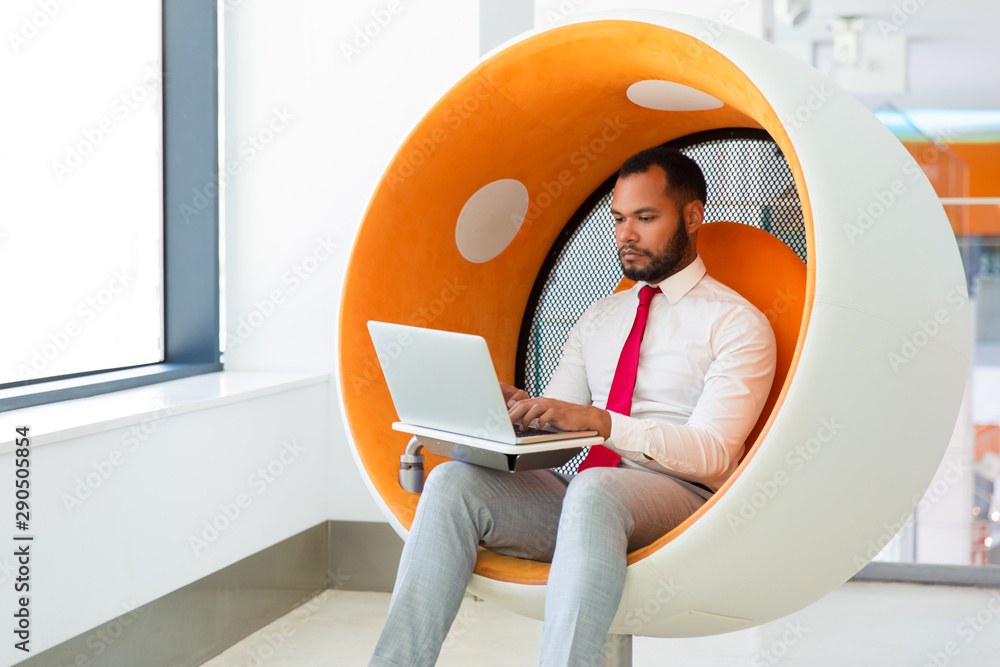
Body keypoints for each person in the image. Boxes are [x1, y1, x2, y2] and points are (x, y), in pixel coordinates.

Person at [369, 147, 777, 666]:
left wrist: (603, 424)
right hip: (589, 495)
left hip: (683, 497)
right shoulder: (600, 316)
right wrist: (519, 412)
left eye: (645, 218)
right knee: (452, 484)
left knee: (595, 487)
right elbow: (562, 421)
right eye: (619, 219)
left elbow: (714, 455)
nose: (626, 234)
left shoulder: (736, 323)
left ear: (692, 217)